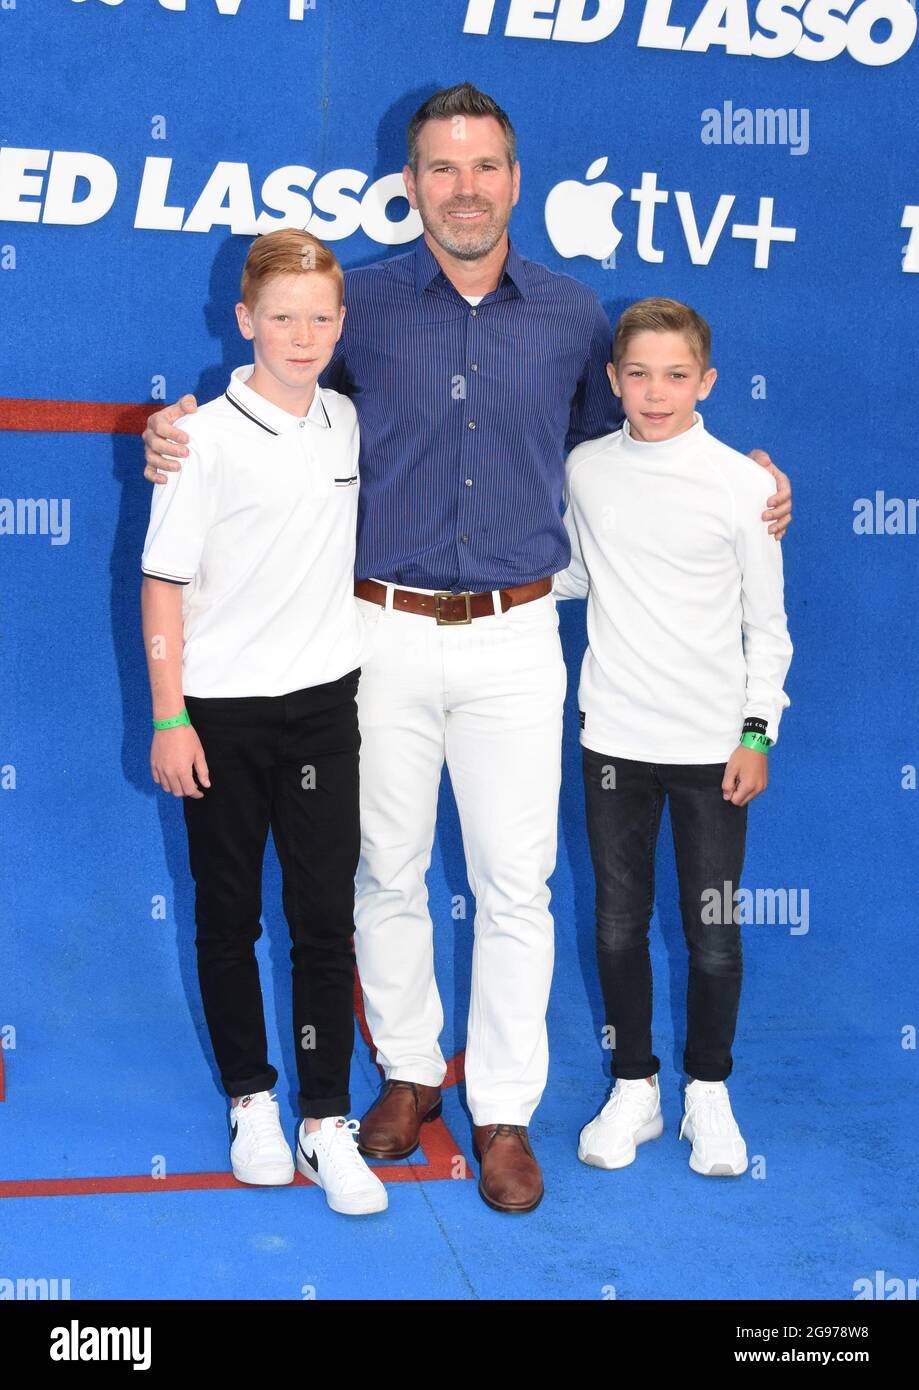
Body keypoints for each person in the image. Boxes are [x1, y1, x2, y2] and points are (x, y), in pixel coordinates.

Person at [140, 85, 793, 1214]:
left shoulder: (577, 316)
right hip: (374, 631)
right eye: (441, 170)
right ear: (410, 186)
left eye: (484, 166)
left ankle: (500, 1108)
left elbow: (639, 441)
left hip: (517, 635)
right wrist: (174, 432)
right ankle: (404, 1075)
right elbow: (280, 407)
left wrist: (751, 482)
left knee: (514, 882)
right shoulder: (364, 306)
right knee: (383, 870)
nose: (464, 189)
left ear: (514, 179)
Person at [140, 227, 386, 1216]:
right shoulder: (195, 438)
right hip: (222, 719)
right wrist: (171, 716)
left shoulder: (352, 424)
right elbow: (161, 585)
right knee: (227, 916)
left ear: (341, 323)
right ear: (243, 320)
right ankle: (253, 1098)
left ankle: (326, 1119)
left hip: (326, 712)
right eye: (280, 316)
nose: (301, 334)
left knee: (325, 919)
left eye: (320, 317)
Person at [554, 297, 793, 1177]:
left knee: (712, 929)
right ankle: (635, 1087)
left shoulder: (745, 485)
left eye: (676, 376)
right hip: (612, 737)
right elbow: (573, 575)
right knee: (616, 924)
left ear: (708, 382)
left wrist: (756, 734)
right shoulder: (584, 468)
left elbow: (767, 631)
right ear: (613, 380)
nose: (656, 394)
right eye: (638, 375)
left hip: (710, 748)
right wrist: (480, 577)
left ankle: (707, 1092)